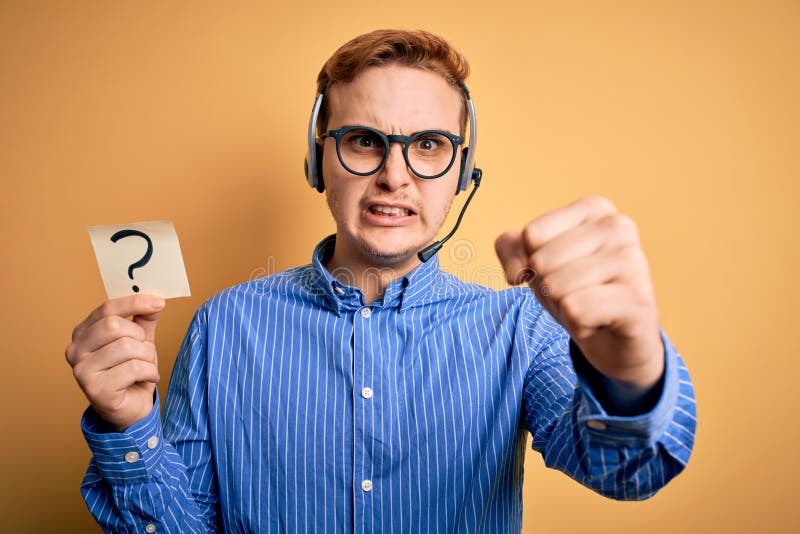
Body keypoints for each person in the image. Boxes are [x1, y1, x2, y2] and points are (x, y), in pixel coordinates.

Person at [66, 29, 696, 533]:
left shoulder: (520, 327)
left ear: (461, 169)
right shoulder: (225, 324)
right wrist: (129, 427)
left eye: (428, 145)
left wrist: (632, 370)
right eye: (365, 141)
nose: (396, 176)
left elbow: (629, 472)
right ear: (318, 158)